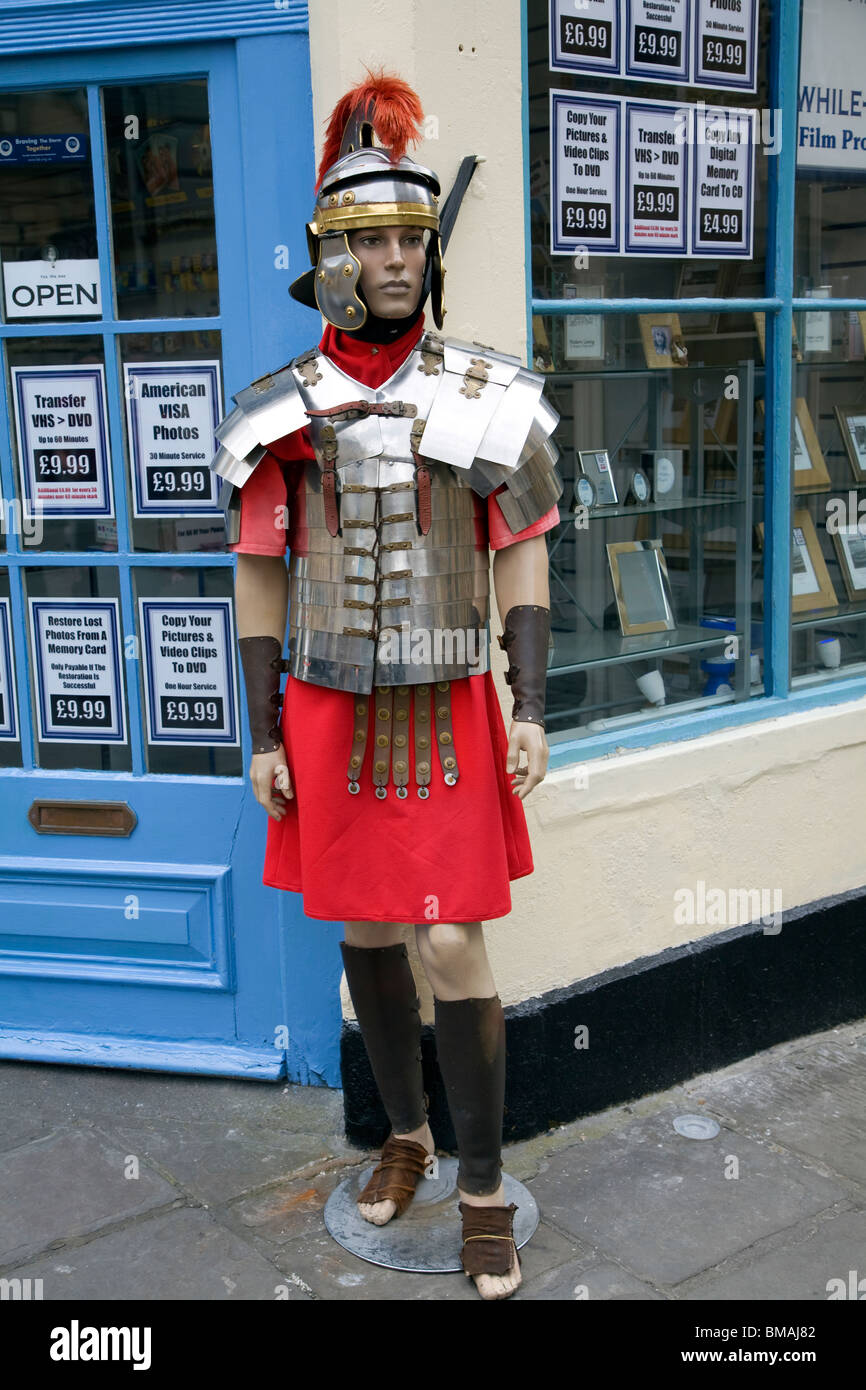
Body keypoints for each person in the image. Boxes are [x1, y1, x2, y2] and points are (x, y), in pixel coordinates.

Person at [210, 71, 564, 1301]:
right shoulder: (282, 414)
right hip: (325, 706)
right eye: (372, 237)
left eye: (412, 235)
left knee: (451, 938)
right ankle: (402, 1137)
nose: (398, 256)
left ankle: (479, 1189)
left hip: (447, 708)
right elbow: (261, 582)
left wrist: (529, 706)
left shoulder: (486, 399)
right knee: (366, 925)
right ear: (329, 257)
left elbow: (519, 555)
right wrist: (260, 734)